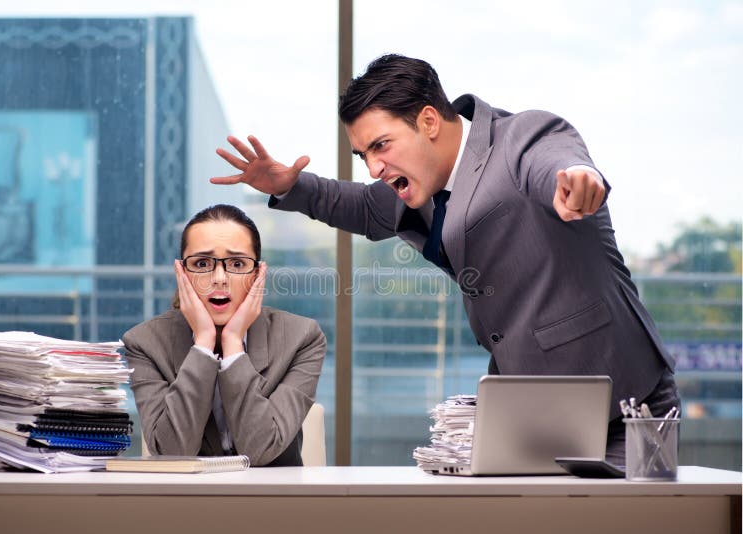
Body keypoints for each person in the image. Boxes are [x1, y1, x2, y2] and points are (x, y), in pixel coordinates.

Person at [211, 54, 680, 465]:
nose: (373, 168)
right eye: (363, 155)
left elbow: (557, 163)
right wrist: (288, 186)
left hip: (623, 402)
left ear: (430, 121)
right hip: (533, 409)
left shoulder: (523, 138)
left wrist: (578, 180)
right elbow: (356, 203)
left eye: (381, 146)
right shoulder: (420, 187)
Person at [123, 204, 326, 466]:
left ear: (257, 274)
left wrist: (233, 345)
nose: (219, 278)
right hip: (186, 502)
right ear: (182, 272)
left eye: (237, 263)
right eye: (203, 263)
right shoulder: (145, 343)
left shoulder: (302, 339)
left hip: (273, 502)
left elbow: (260, 450)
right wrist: (204, 343)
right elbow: (172, 453)